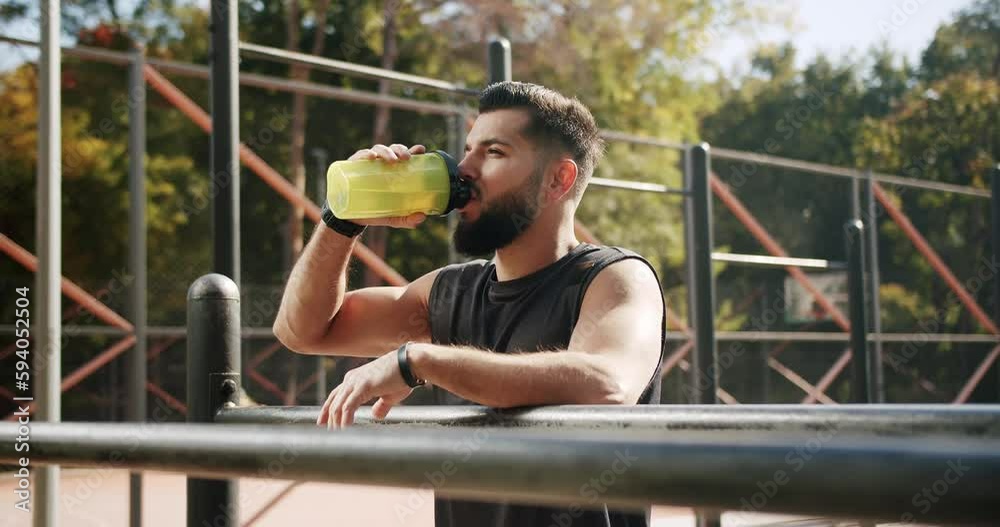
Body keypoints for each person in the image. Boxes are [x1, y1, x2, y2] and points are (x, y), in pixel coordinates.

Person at [273, 81, 667, 527]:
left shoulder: (615, 277)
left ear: (559, 178)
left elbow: (606, 385)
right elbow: (301, 331)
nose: (463, 169)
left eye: (493, 152)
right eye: (467, 150)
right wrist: (341, 219)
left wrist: (419, 360)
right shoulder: (448, 291)